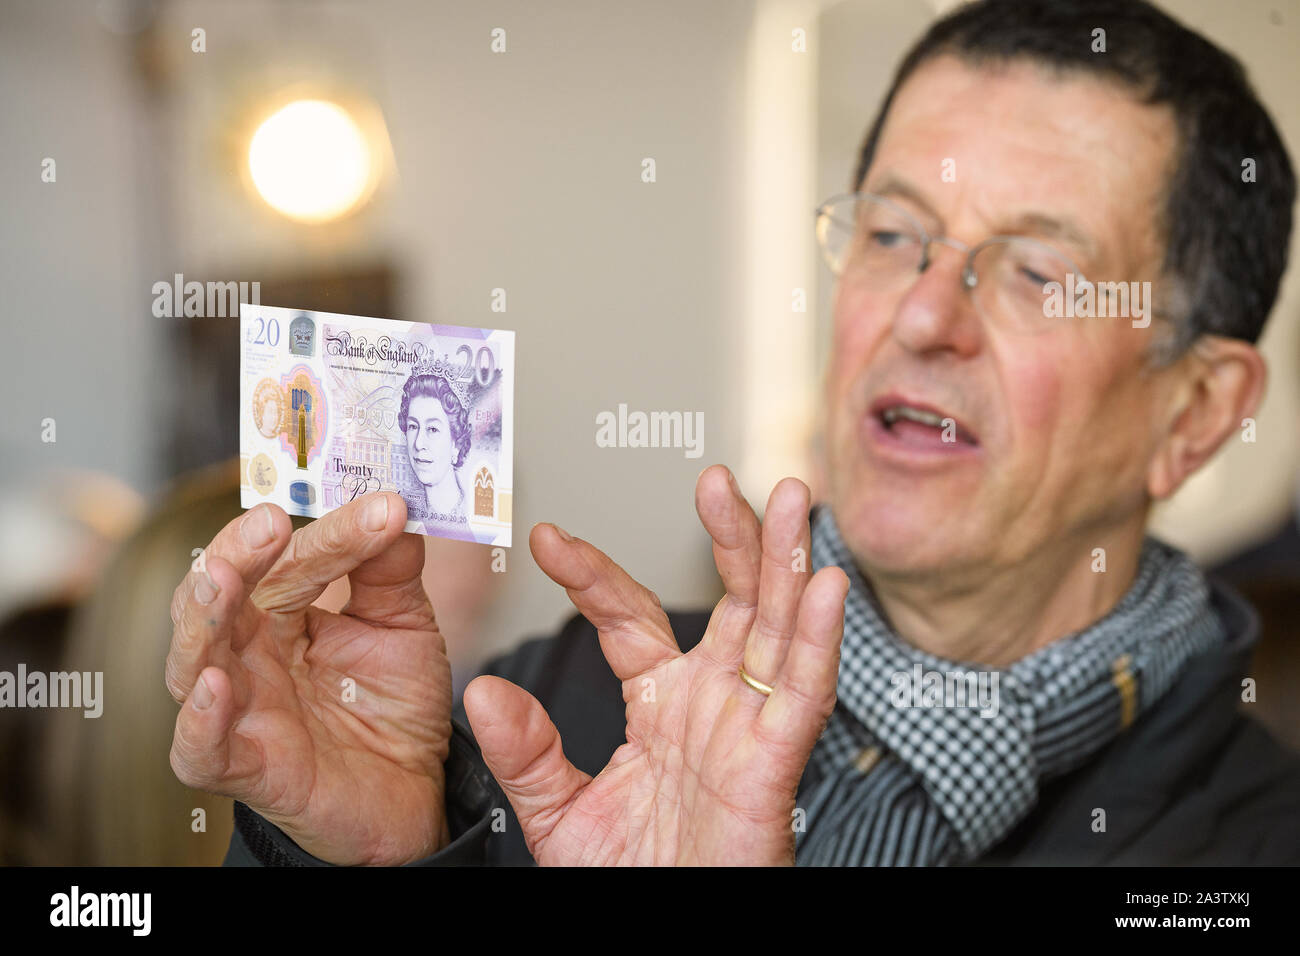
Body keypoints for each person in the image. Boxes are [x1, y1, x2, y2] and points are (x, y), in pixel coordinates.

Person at [167, 0, 1300, 866]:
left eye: (1038, 271)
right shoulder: (560, 700)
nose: (920, 312)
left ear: (1193, 411)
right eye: (895, 231)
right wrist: (371, 855)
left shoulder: (1247, 844)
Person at [398, 361, 472, 533]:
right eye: (413, 427)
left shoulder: (471, 519)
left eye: (432, 429)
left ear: (457, 443)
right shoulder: (402, 510)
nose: (418, 443)